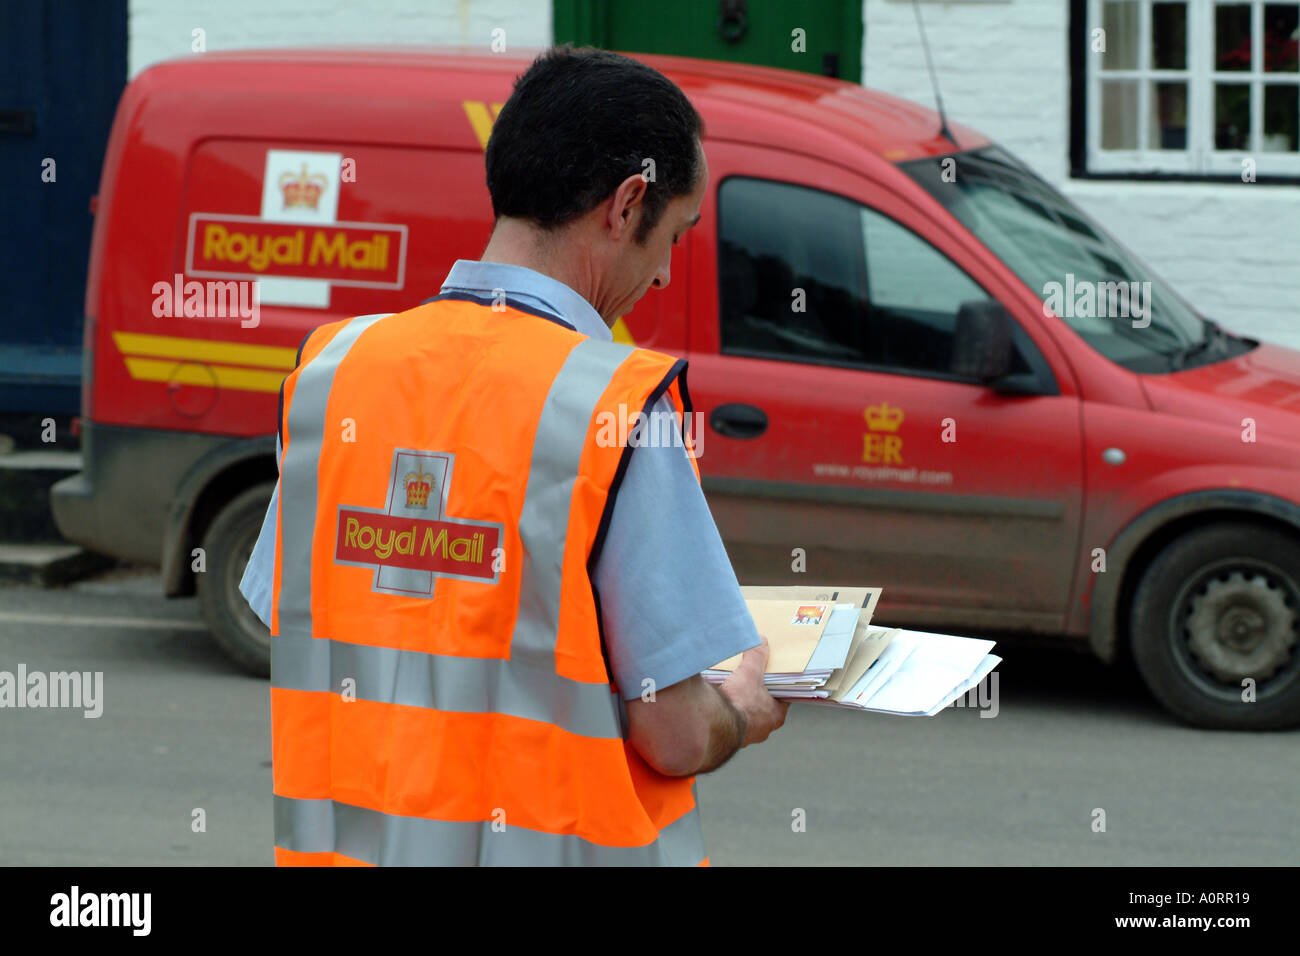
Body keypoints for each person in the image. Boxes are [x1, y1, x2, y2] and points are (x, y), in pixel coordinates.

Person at [239, 45, 788, 867]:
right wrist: (742, 706)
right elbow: (672, 735)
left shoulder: (333, 372)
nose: (667, 274)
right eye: (674, 235)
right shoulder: (617, 407)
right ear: (627, 204)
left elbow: (282, 614)